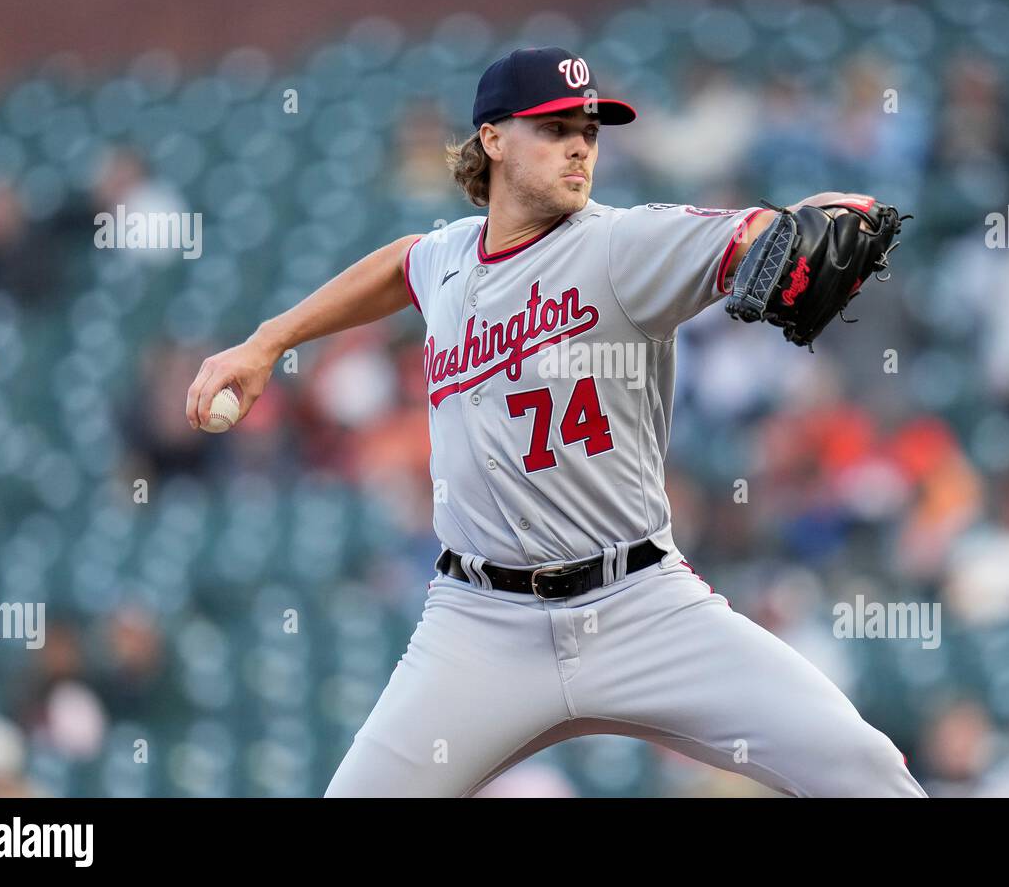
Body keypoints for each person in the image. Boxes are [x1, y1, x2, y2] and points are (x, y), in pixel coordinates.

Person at [186, 46, 926, 798]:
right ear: (494, 140)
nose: (580, 144)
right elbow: (399, 264)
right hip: (478, 625)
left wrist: (830, 214)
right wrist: (268, 341)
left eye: (590, 130)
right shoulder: (446, 261)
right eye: (554, 127)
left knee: (861, 767)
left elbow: (749, 235)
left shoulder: (622, 244)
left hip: (639, 604)